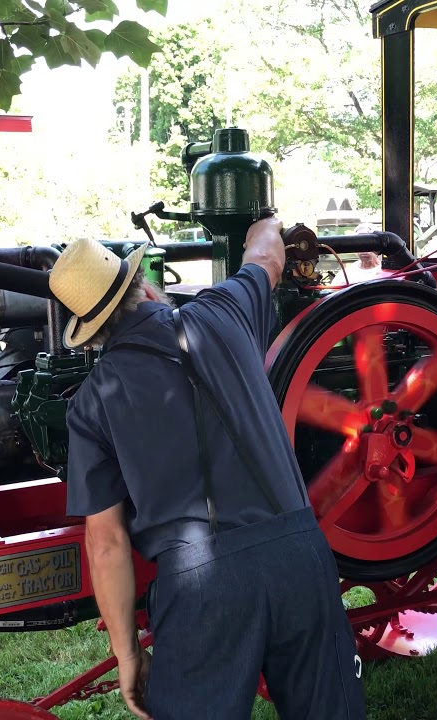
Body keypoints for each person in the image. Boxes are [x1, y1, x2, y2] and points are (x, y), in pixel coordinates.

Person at [52, 219, 366, 720]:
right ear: (146, 287)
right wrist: (267, 224)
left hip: (202, 586)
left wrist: (128, 653)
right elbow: (266, 257)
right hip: (301, 555)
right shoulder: (224, 308)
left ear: (92, 335)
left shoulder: (90, 403)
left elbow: (106, 543)